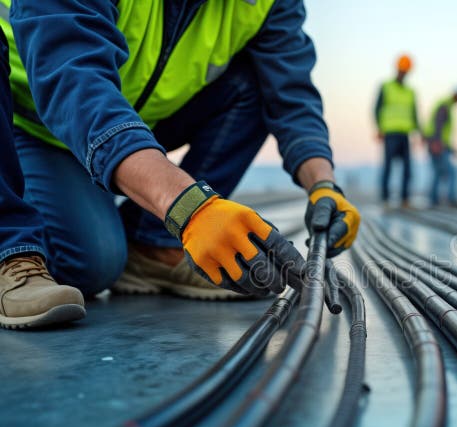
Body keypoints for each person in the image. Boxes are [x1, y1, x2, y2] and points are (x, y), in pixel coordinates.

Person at [0, 0, 360, 329]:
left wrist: (323, 185)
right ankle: (8, 247)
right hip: (24, 120)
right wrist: (189, 208)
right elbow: (73, 79)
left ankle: (152, 244)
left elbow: (289, 94)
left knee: (255, 83)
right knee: (91, 265)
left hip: (119, 119)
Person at [0, 27, 85, 329]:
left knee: (92, 264)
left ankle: (148, 241)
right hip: (20, 114)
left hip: (65, 132)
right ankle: (9, 248)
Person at [375, 54, 419, 208]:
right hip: (390, 133)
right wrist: (379, 128)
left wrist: (417, 132)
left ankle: (405, 199)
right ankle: (385, 199)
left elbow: (414, 114)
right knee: (388, 166)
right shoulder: (386, 86)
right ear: (397, 69)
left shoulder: (410, 91)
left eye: (405, 71)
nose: (403, 73)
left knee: (407, 168)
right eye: (402, 70)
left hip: (405, 134)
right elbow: (377, 109)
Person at [425, 86, 457, 206]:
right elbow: (438, 124)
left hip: (438, 144)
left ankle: (433, 199)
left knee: (438, 172)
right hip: (438, 145)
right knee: (452, 172)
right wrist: (437, 142)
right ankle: (451, 198)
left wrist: (449, 147)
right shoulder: (445, 106)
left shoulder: (446, 105)